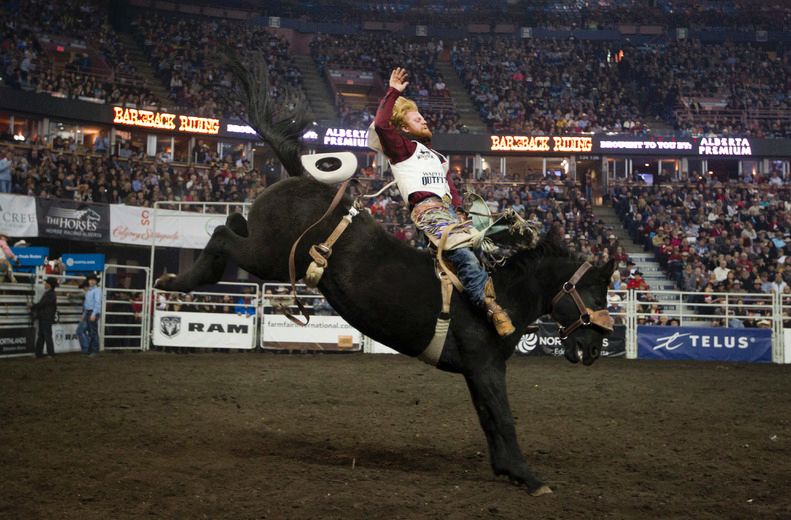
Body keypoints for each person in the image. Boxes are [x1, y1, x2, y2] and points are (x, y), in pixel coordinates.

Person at [370, 67, 514, 336]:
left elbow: (450, 187)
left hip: (449, 211)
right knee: (463, 255)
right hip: (428, 210)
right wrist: (393, 92)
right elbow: (380, 125)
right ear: (404, 128)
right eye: (417, 119)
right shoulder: (401, 148)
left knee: (492, 250)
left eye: (423, 117)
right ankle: (491, 307)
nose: (424, 121)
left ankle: (481, 304)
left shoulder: (438, 157)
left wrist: (459, 210)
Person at [31, 278, 58, 358]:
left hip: (46, 317)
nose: (45, 284)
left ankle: (49, 353)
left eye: (46, 283)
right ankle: (40, 353)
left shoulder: (50, 294)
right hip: (45, 317)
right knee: (43, 335)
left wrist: (32, 306)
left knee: (45, 335)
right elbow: (42, 304)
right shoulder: (50, 294)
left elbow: (42, 304)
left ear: (49, 285)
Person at [78, 274, 102, 357]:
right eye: (90, 280)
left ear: (96, 281)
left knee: (92, 332)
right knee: (91, 331)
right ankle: (91, 350)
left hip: (92, 311)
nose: (91, 281)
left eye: (93, 280)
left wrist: (93, 314)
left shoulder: (96, 290)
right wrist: (84, 314)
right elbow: (86, 304)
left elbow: (97, 303)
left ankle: (94, 350)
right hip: (89, 311)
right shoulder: (90, 291)